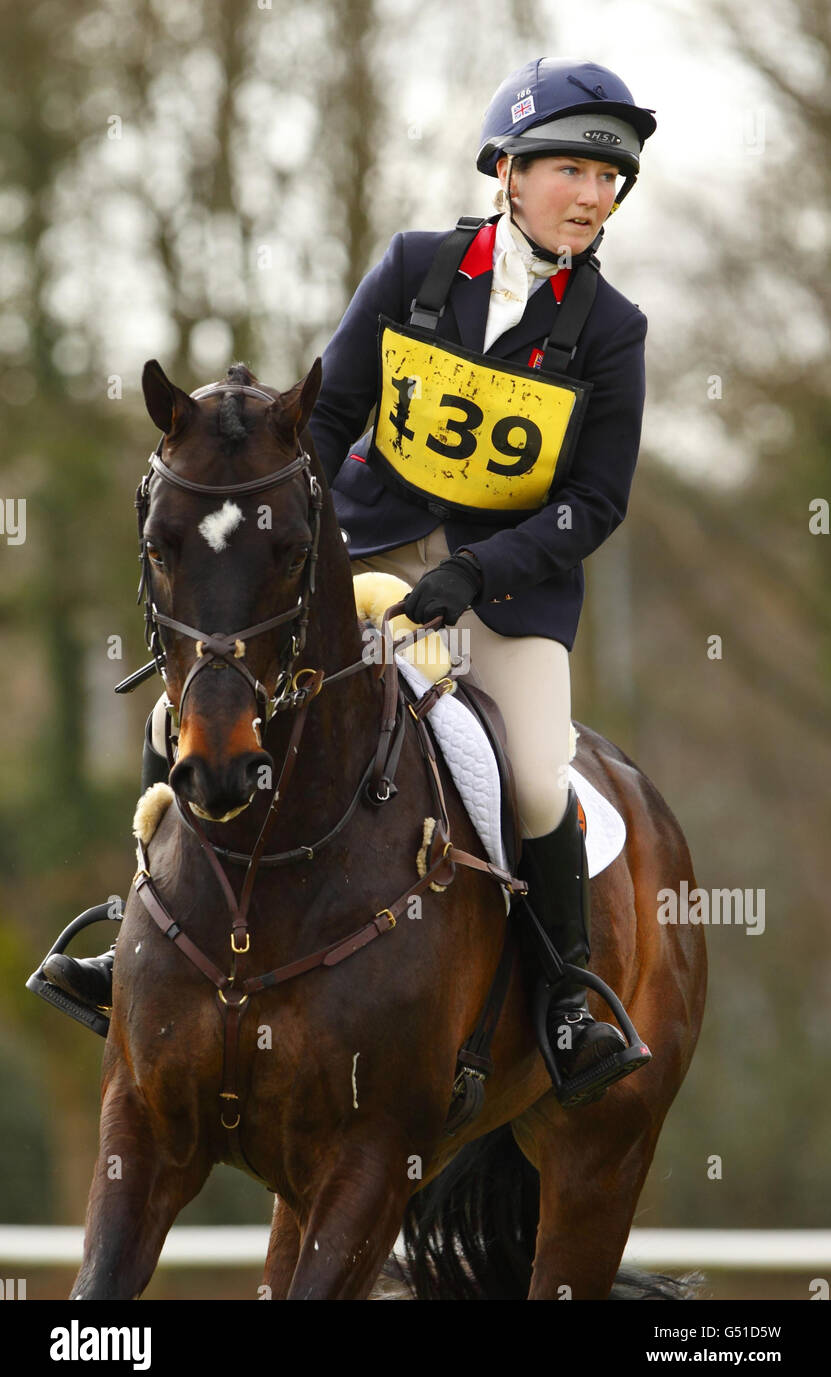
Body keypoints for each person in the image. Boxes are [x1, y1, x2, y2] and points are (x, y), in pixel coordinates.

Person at [42, 57, 654, 1108]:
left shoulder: (611, 329)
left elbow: (593, 503)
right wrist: (290, 539)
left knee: (534, 778)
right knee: (193, 713)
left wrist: (475, 570)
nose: (594, 196)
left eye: (610, 180)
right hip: (360, 552)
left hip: (505, 593)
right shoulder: (416, 268)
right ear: (506, 171)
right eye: (572, 170)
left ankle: (564, 998)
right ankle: (133, 941)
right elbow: (321, 420)